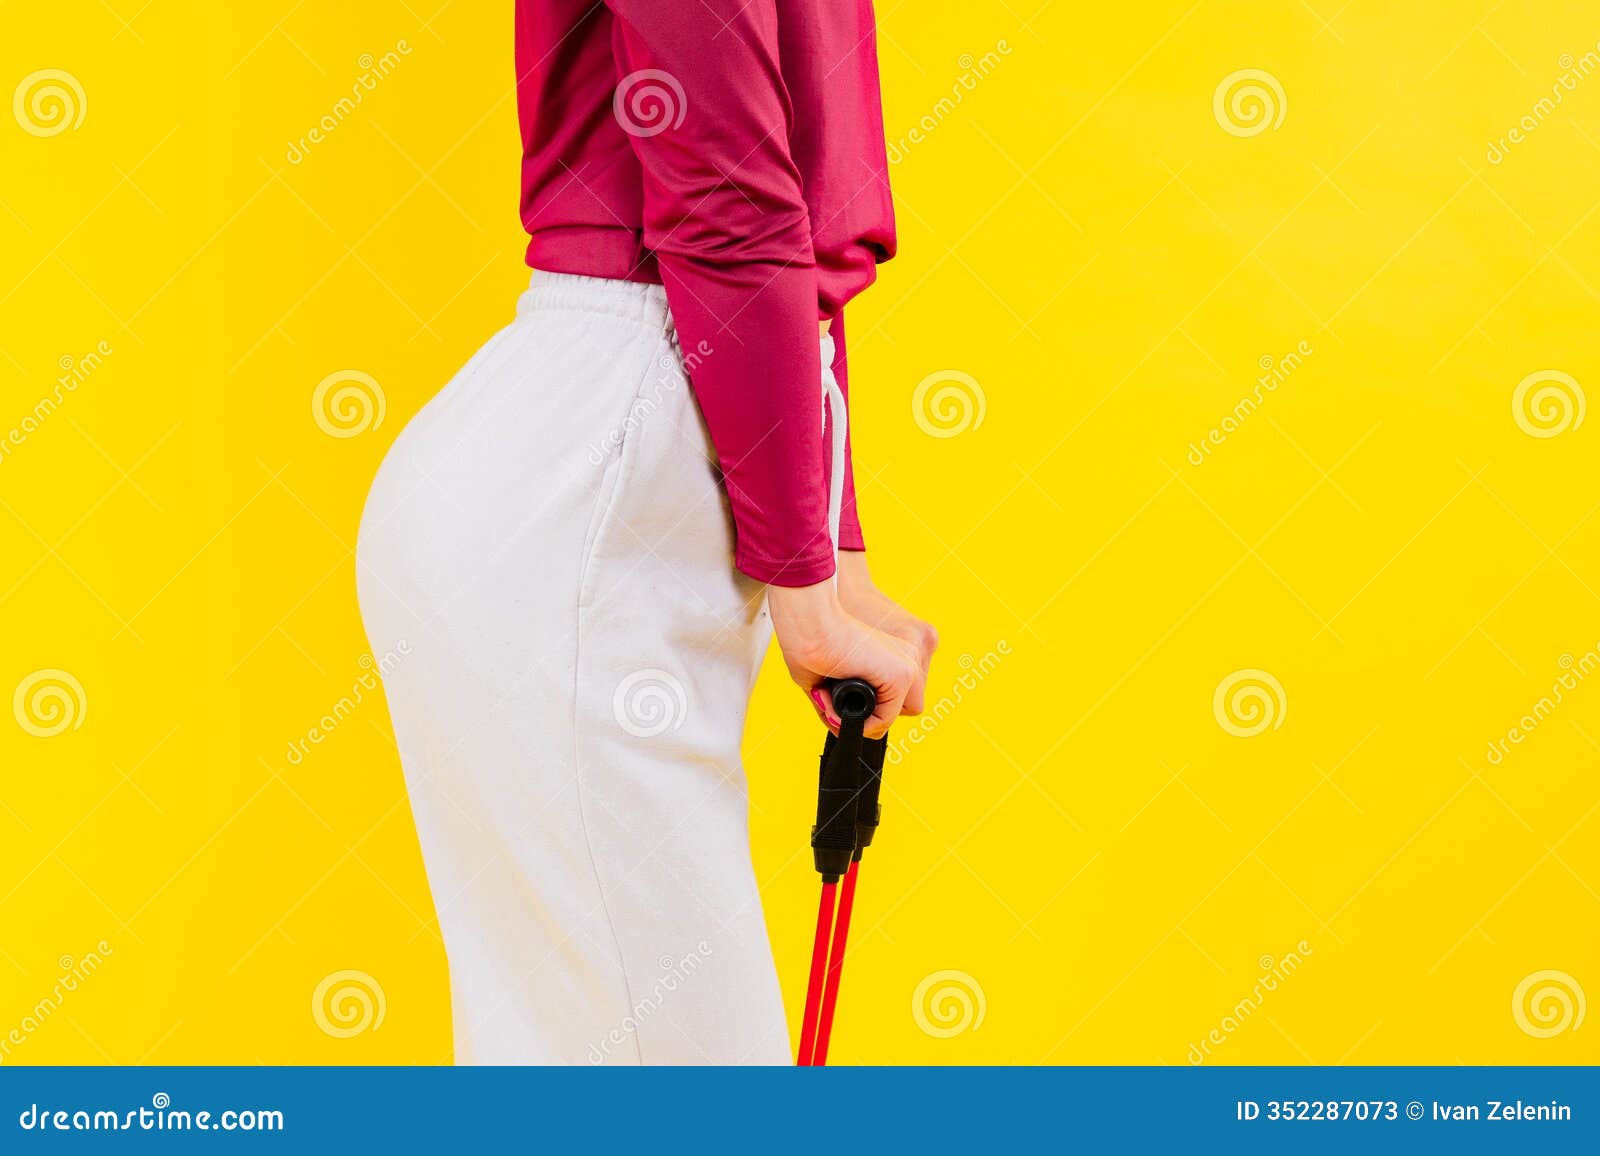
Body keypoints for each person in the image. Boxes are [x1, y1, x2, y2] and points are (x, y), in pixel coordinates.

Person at [355, 0, 936, 1065]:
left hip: (596, 468)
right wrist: (805, 589)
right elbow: (728, 200)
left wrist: (837, 553)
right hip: (585, 477)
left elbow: (797, 258)